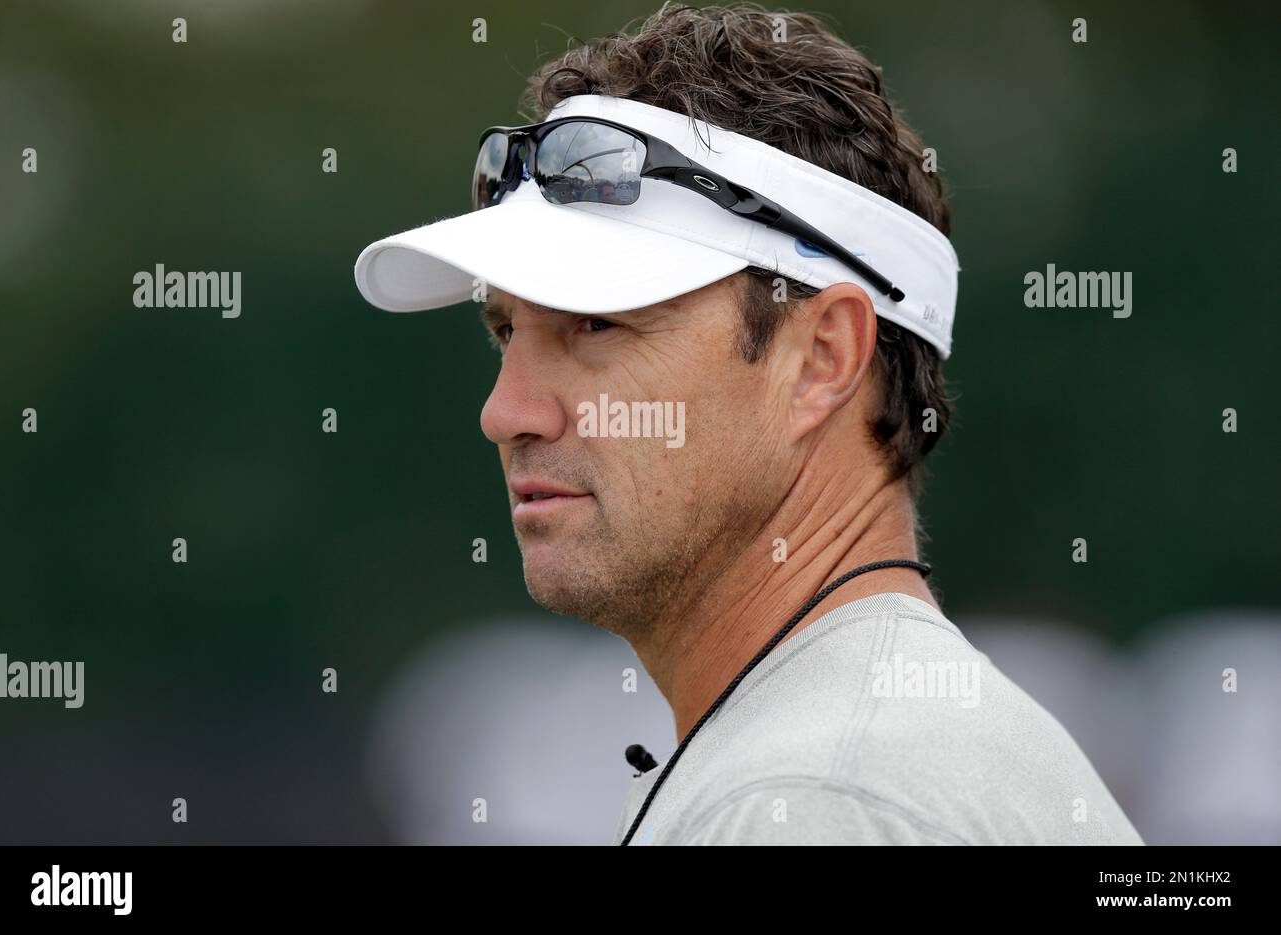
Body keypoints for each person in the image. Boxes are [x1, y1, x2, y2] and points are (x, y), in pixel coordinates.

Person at [353, 3, 1143, 845]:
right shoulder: (889, 753)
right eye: (508, 331)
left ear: (822, 359)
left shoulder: (815, 801)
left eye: (598, 324)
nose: (505, 411)